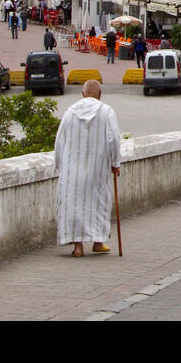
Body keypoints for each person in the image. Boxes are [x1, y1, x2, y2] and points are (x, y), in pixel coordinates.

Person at [54, 79, 121, 257]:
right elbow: (114, 140)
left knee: (75, 206)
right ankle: (98, 242)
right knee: (98, 204)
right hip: (97, 169)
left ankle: (78, 247)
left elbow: (60, 140)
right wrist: (115, 163)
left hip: (72, 170)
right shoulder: (107, 112)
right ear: (100, 95)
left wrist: (59, 164)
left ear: (83, 94)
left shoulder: (70, 112)